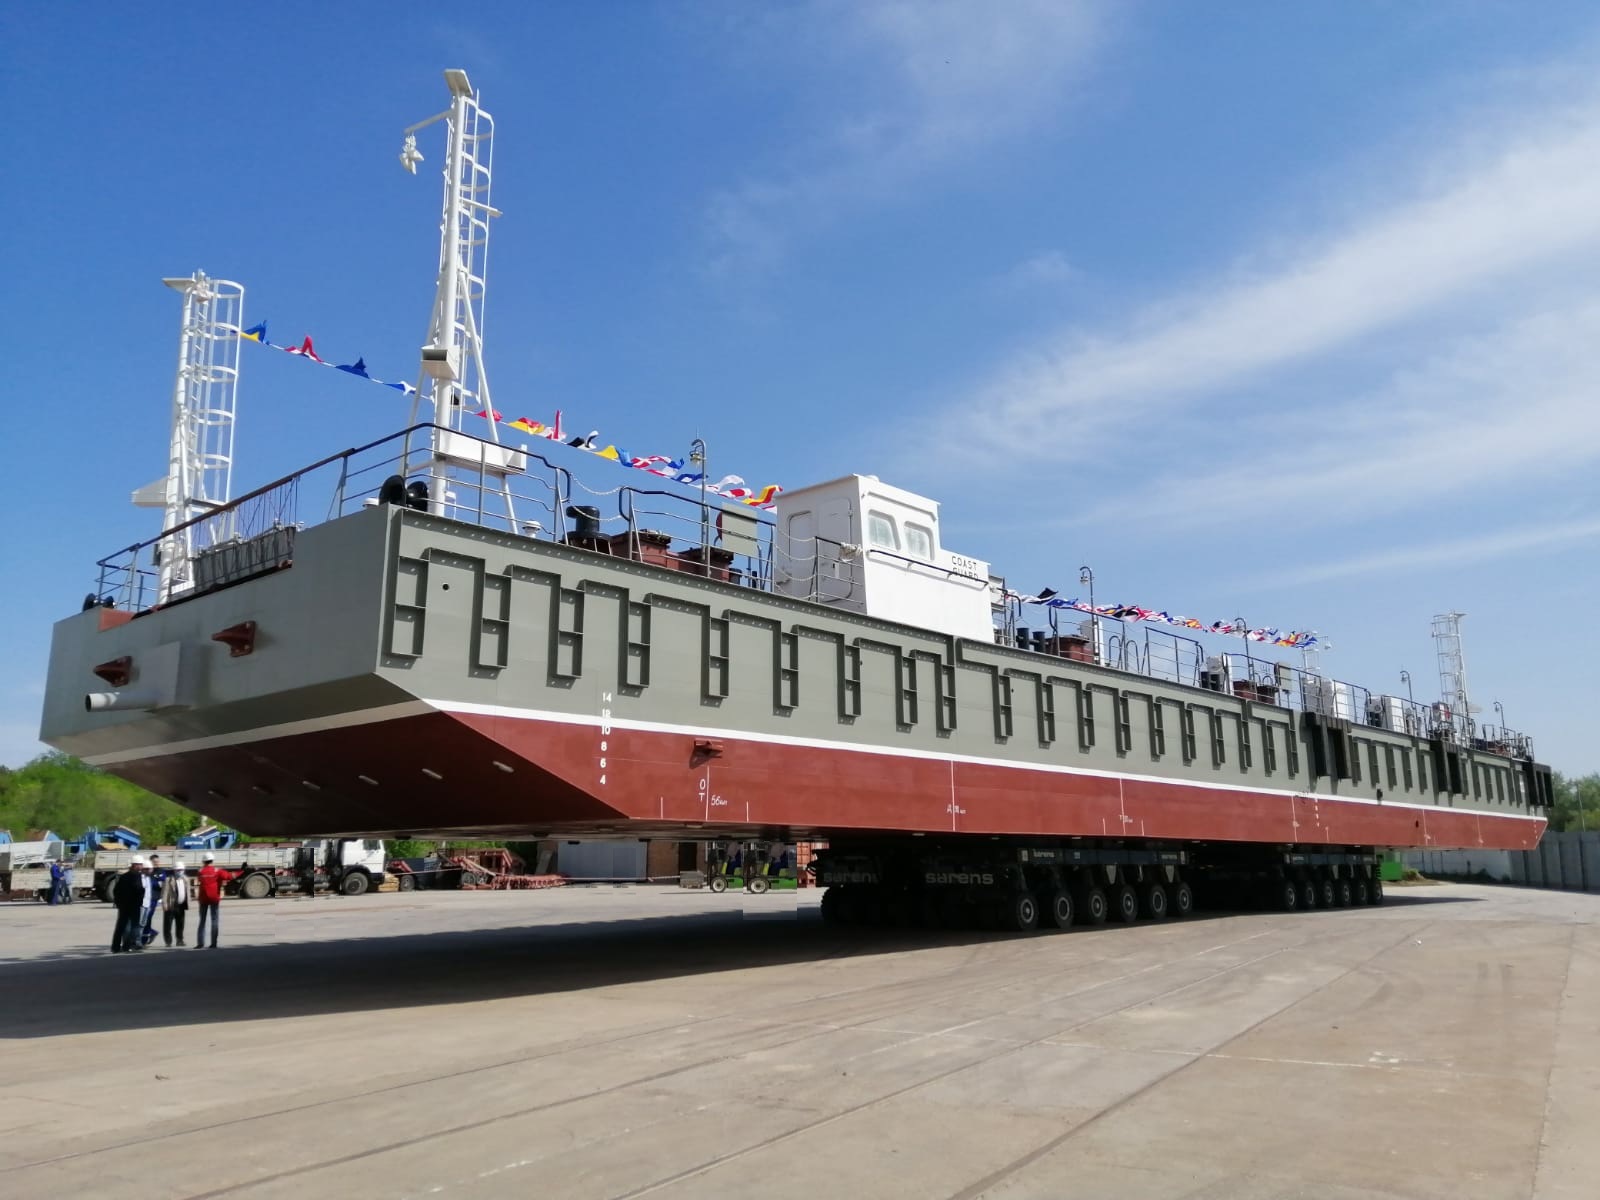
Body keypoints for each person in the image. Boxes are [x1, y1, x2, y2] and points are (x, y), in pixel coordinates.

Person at [195, 852, 239, 949]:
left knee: (202, 921)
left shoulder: (200, 871)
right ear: (212, 860)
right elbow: (230, 876)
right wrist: (242, 871)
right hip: (214, 898)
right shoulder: (217, 871)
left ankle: (200, 943)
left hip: (203, 899)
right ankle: (213, 943)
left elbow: (200, 881)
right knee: (214, 920)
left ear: (203, 861)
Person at [110, 857, 148, 953]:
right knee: (134, 927)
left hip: (123, 906)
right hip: (133, 905)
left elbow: (116, 891)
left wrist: (119, 903)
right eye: (140, 865)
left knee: (121, 926)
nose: (142, 866)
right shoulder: (136, 876)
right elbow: (138, 889)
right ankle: (130, 945)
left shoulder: (123, 876)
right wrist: (142, 893)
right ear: (135, 865)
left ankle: (116, 947)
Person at [161, 860, 190, 946]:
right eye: (178, 870)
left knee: (180, 924)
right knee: (168, 925)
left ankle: (179, 940)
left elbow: (187, 892)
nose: (179, 872)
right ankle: (168, 941)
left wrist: (188, 902)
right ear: (174, 870)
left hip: (181, 905)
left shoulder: (186, 879)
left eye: (181, 870)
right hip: (171, 905)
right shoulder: (168, 880)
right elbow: (164, 893)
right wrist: (164, 904)